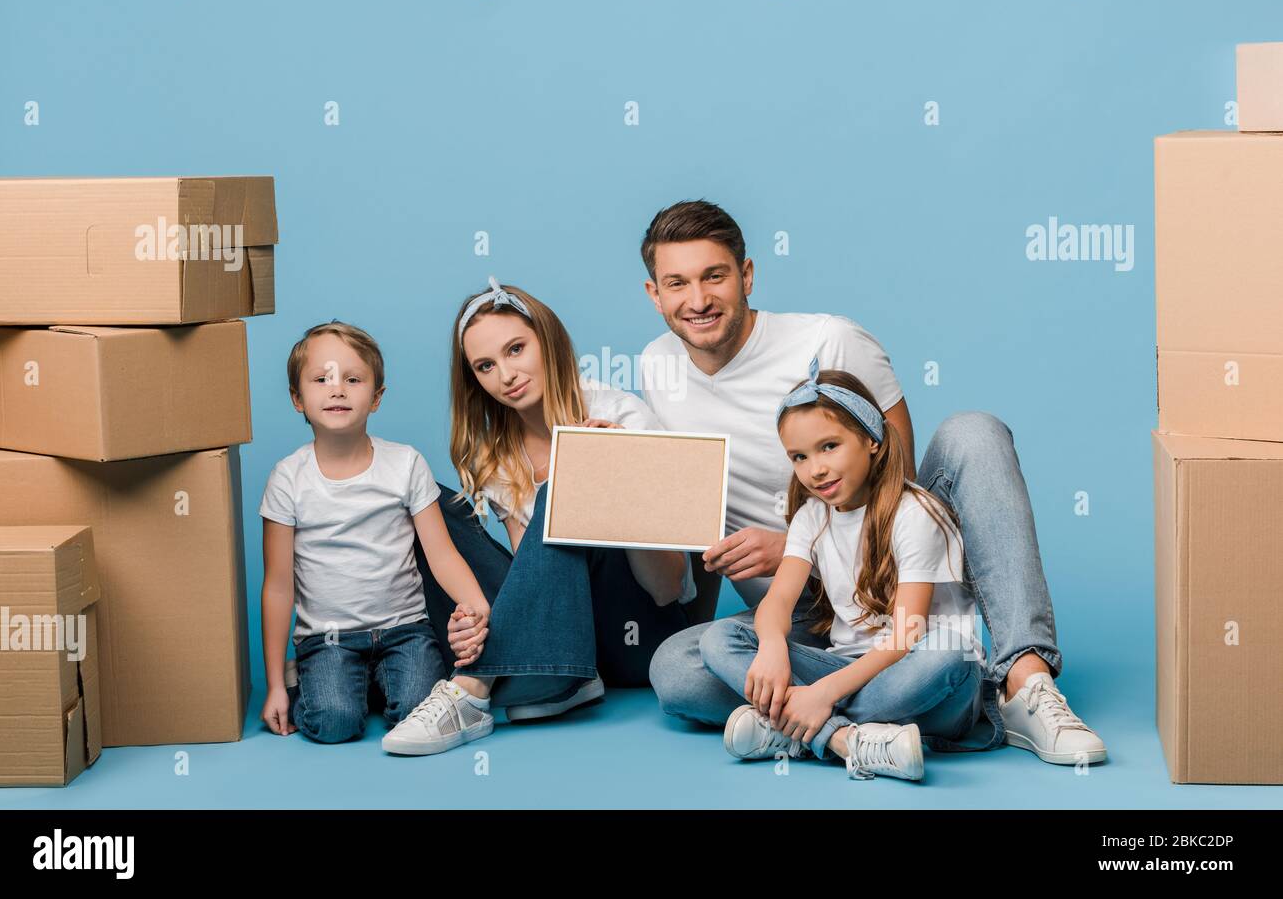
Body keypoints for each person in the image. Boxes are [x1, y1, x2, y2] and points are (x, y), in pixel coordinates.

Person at [641, 200, 1106, 766]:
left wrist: (793, 541)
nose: (698, 300)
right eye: (677, 283)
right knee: (675, 670)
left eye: (714, 276)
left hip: (884, 584)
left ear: (747, 275)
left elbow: (896, 475)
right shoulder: (655, 367)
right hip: (806, 624)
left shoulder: (830, 340)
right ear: (654, 294)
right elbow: (691, 504)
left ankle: (1024, 684)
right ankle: (847, 734)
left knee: (973, 433)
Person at [382, 278, 695, 756]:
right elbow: (531, 570)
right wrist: (471, 616)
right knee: (427, 505)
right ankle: (552, 676)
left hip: (635, 635)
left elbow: (666, 588)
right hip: (561, 629)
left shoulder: (623, 415)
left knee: (571, 470)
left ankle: (470, 690)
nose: (506, 375)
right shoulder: (496, 451)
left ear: (546, 340)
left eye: (516, 349)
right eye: (486, 366)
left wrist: (621, 479)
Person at [700, 362, 983, 780]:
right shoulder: (811, 517)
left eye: (829, 446)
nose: (815, 469)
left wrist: (824, 693)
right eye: (800, 456)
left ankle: (794, 727)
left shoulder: (915, 513)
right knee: (720, 638)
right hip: (845, 668)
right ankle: (845, 740)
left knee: (948, 650)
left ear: (871, 440)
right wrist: (774, 646)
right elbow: (778, 599)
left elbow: (906, 634)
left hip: (920, 679)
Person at [259, 321, 492, 744]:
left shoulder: (404, 464)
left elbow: (442, 555)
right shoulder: (288, 478)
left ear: (377, 397)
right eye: (321, 379)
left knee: (417, 715)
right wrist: (275, 684)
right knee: (333, 724)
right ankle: (315, 681)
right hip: (328, 639)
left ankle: (373, 683)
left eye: (352, 379)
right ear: (298, 398)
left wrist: (476, 605)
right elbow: (277, 586)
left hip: (406, 631)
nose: (337, 389)